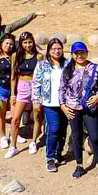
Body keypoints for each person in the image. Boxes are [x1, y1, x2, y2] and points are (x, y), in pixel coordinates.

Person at [60, 41, 98, 180]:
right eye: (77, 53)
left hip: (89, 106)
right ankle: (79, 166)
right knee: (76, 137)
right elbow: (62, 89)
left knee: (95, 137)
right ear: (73, 55)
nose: (80, 55)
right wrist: (63, 106)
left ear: (87, 53)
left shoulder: (94, 68)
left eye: (82, 52)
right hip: (72, 108)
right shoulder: (68, 69)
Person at [32, 38, 67, 172]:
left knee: (63, 130)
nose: (56, 51)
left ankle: (59, 153)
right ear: (49, 51)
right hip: (49, 103)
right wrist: (36, 100)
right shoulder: (42, 65)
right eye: (53, 49)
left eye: (59, 48)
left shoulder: (68, 64)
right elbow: (36, 83)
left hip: (65, 103)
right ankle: (50, 158)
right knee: (53, 129)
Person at [5, 32, 39, 159]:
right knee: (15, 119)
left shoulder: (38, 56)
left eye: (30, 42)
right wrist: (13, 94)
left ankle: (34, 141)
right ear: (21, 43)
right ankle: (13, 146)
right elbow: (13, 76)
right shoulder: (16, 56)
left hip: (35, 86)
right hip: (22, 87)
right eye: (25, 42)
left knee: (37, 115)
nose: (28, 45)